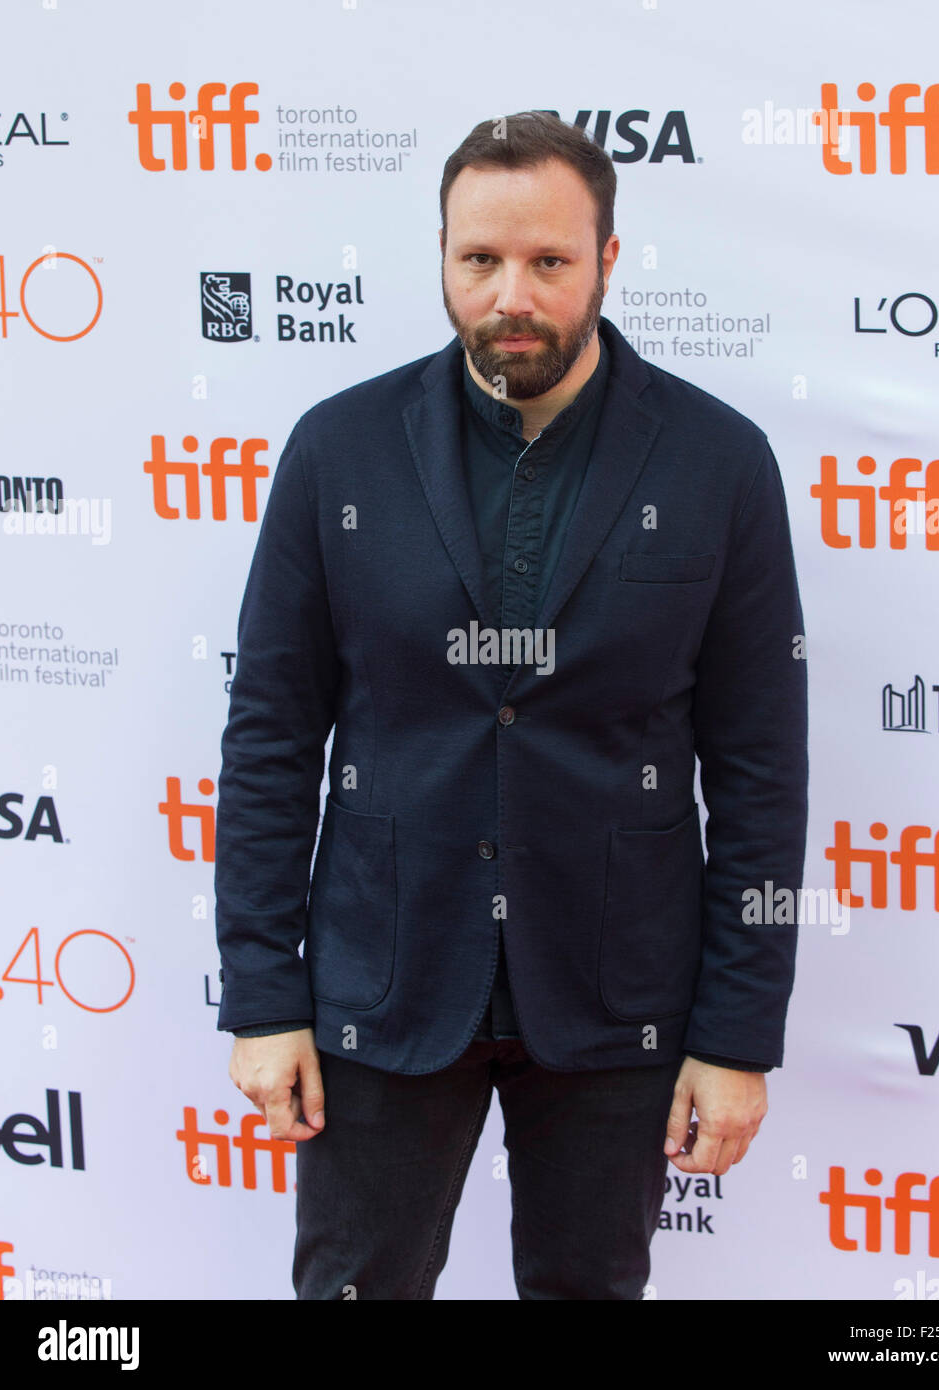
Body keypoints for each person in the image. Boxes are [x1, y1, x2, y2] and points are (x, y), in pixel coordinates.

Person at [214, 110, 808, 1300]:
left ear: (607, 258)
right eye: (478, 260)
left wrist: (736, 1035)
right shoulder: (338, 450)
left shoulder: (715, 460)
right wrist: (263, 993)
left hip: (616, 991)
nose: (510, 297)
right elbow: (272, 734)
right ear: (440, 254)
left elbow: (758, 767)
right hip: (380, 982)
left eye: (548, 260)